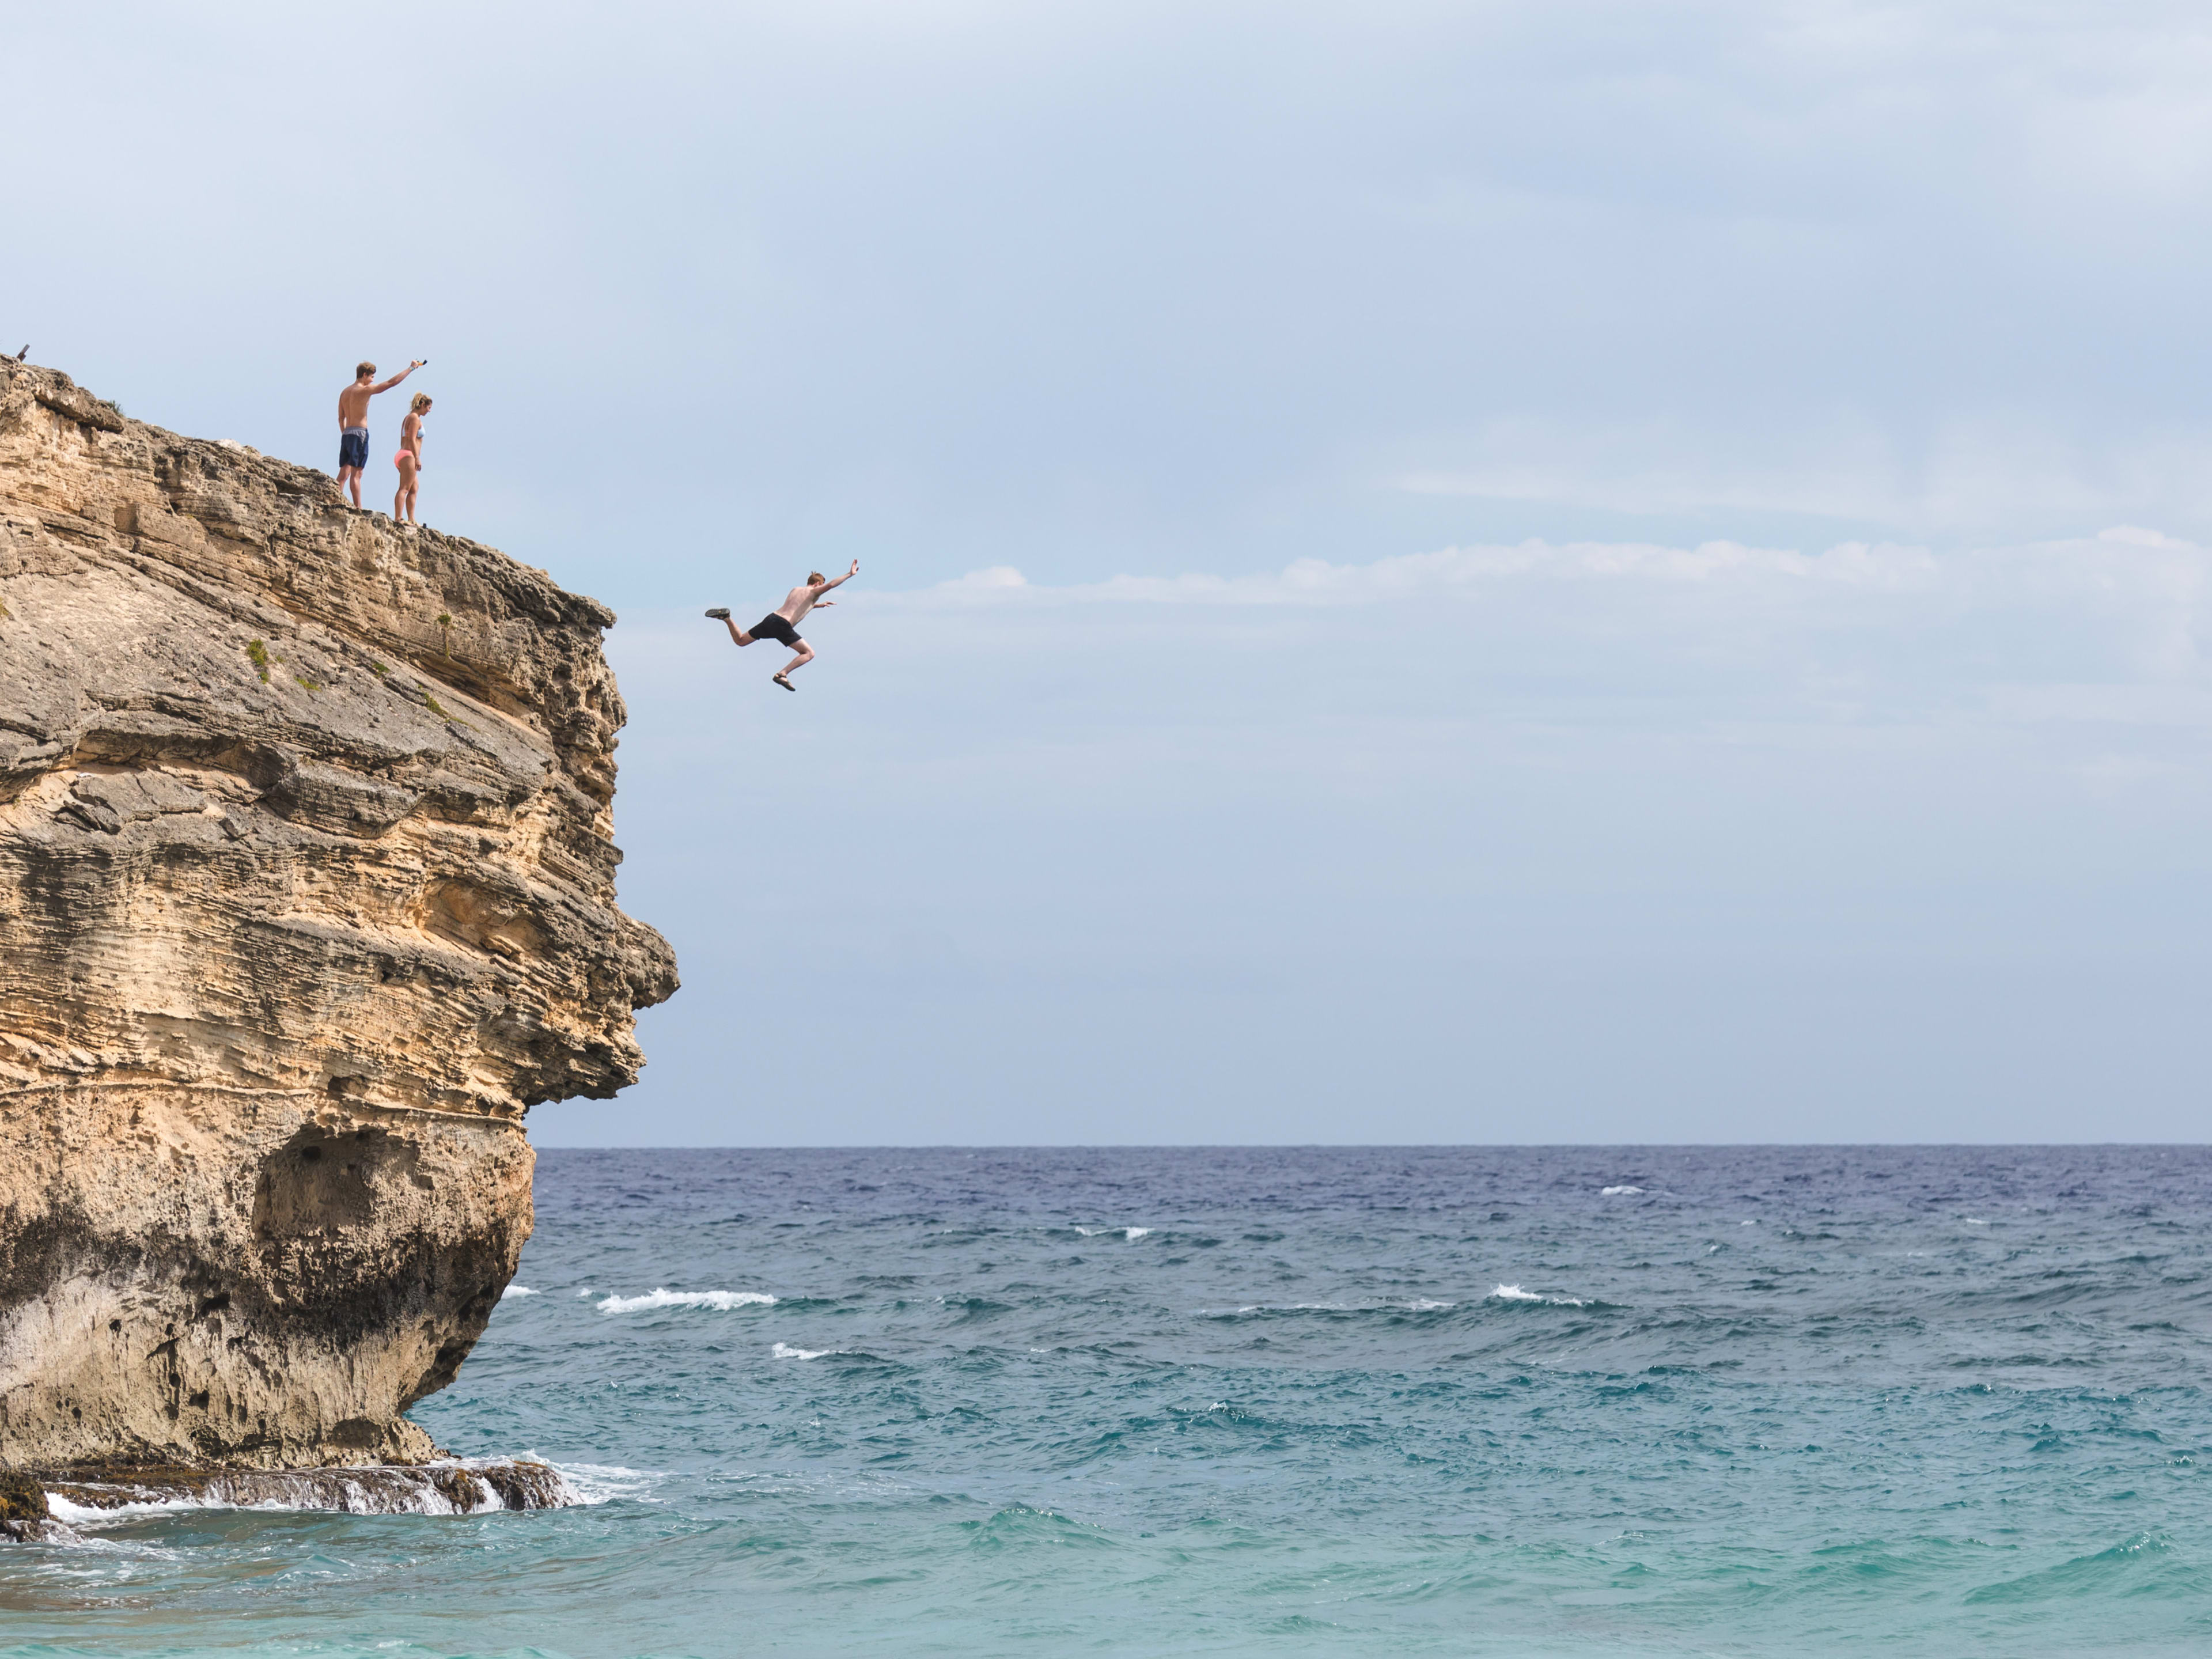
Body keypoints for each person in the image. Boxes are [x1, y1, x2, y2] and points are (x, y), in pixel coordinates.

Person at [706, 560, 860, 691]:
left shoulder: (796, 590)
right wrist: (849, 574)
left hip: (771, 619)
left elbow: (799, 606)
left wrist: (818, 605)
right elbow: (832, 585)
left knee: (741, 641)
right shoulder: (815, 592)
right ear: (818, 584)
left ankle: (727, 619)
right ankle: (782, 674)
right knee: (809, 654)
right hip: (782, 625)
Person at [335, 359, 423, 507]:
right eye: (372, 377)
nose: (372, 381)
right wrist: (411, 369)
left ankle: (335, 499)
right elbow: (391, 383)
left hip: (347, 434)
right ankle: (358, 508)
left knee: (344, 473)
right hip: (359, 433)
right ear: (364, 375)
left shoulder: (345, 392)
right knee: (357, 474)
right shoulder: (364, 390)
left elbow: (340, 418)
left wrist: (345, 433)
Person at [392, 393, 431, 525]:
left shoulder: (407, 418)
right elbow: (412, 439)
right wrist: (417, 458)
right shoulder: (415, 419)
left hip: (403, 454)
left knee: (414, 488)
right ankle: (398, 518)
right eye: (428, 408)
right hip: (409, 455)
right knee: (404, 488)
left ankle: (411, 519)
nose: (429, 411)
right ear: (422, 405)